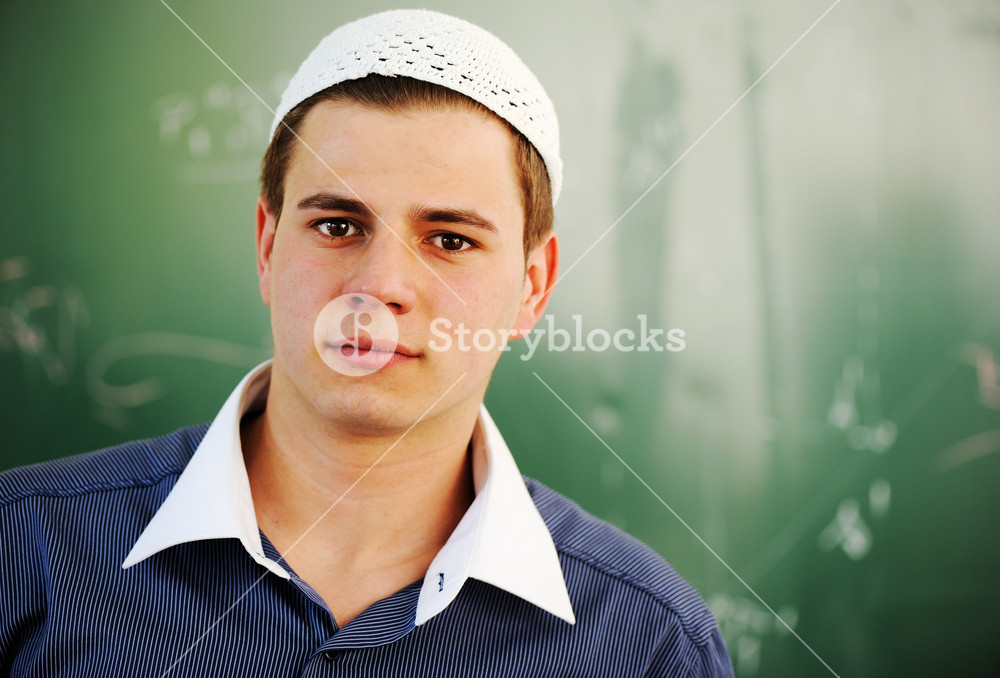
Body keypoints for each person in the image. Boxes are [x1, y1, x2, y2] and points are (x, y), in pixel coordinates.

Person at [0, 9, 733, 677]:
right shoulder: (23, 546)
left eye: (450, 240)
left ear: (533, 287)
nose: (380, 285)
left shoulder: (650, 642)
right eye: (337, 226)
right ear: (267, 247)